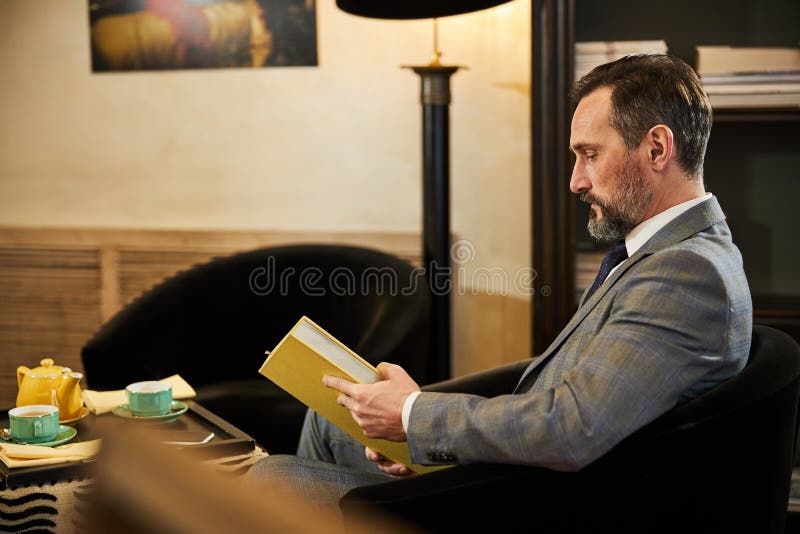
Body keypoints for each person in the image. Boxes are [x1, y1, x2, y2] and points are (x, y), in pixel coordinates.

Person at [248, 53, 752, 510]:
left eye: (590, 154)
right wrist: (417, 429)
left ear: (658, 148)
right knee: (330, 421)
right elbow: (569, 393)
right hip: (527, 473)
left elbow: (571, 429)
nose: (576, 180)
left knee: (269, 479)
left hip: (536, 504)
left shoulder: (687, 274)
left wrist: (412, 415)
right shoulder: (667, 254)